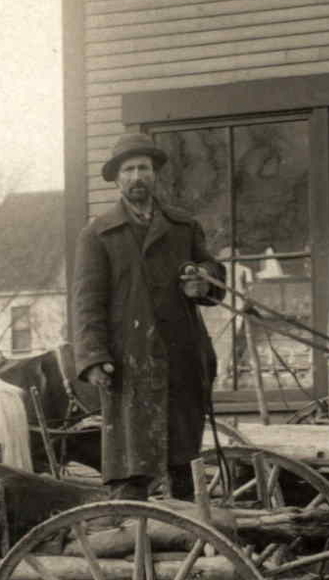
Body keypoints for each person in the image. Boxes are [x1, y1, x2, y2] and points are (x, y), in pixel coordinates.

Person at [72, 132, 224, 501]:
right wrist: (94, 357)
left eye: (143, 168)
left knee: (185, 457)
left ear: (154, 175)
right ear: (117, 178)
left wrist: (201, 281)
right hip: (128, 362)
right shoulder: (98, 233)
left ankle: (190, 530)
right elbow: (86, 301)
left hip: (182, 356)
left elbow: (209, 267)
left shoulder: (182, 226)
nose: (137, 176)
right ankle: (131, 533)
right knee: (131, 462)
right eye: (128, 169)